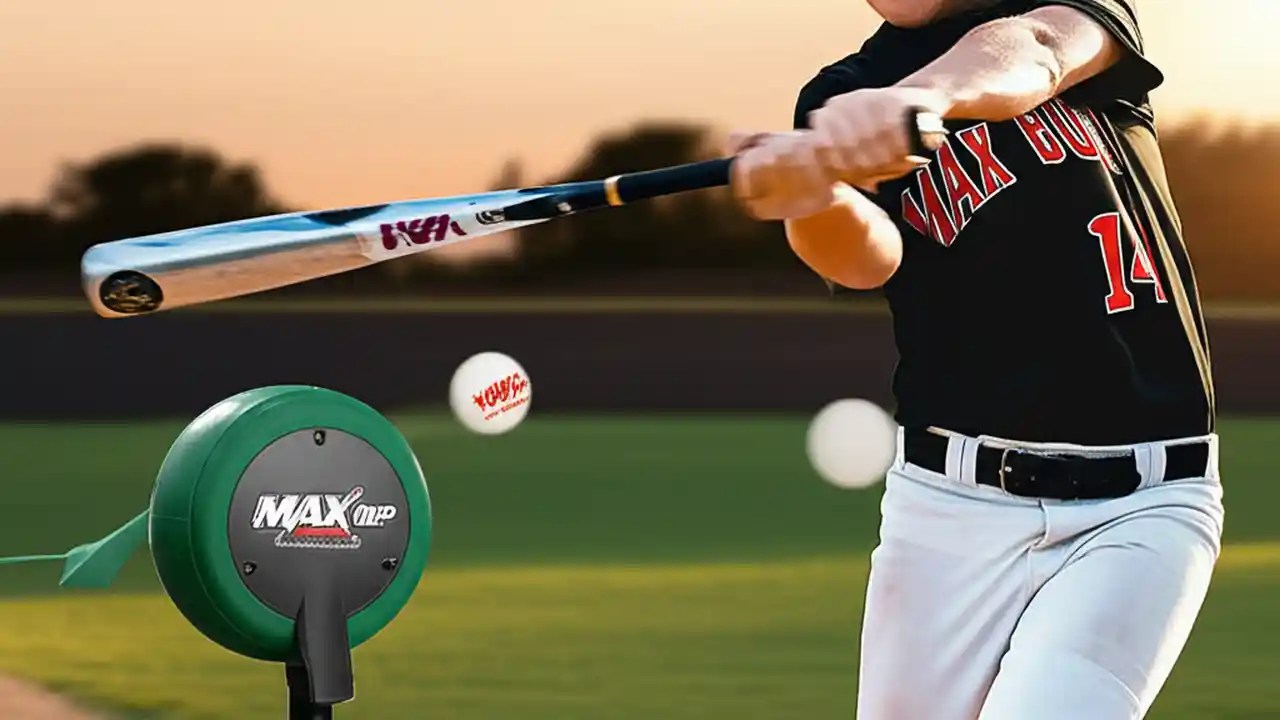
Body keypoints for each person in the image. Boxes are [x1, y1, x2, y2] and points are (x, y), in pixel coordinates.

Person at [729, 1, 1223, 718]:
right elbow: (870, 260)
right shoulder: (841, 95)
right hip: (946, 510)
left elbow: (1040, 48)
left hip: (1141, 505)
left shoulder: (1070, 9)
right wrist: (810, 200)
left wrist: (919, 99)